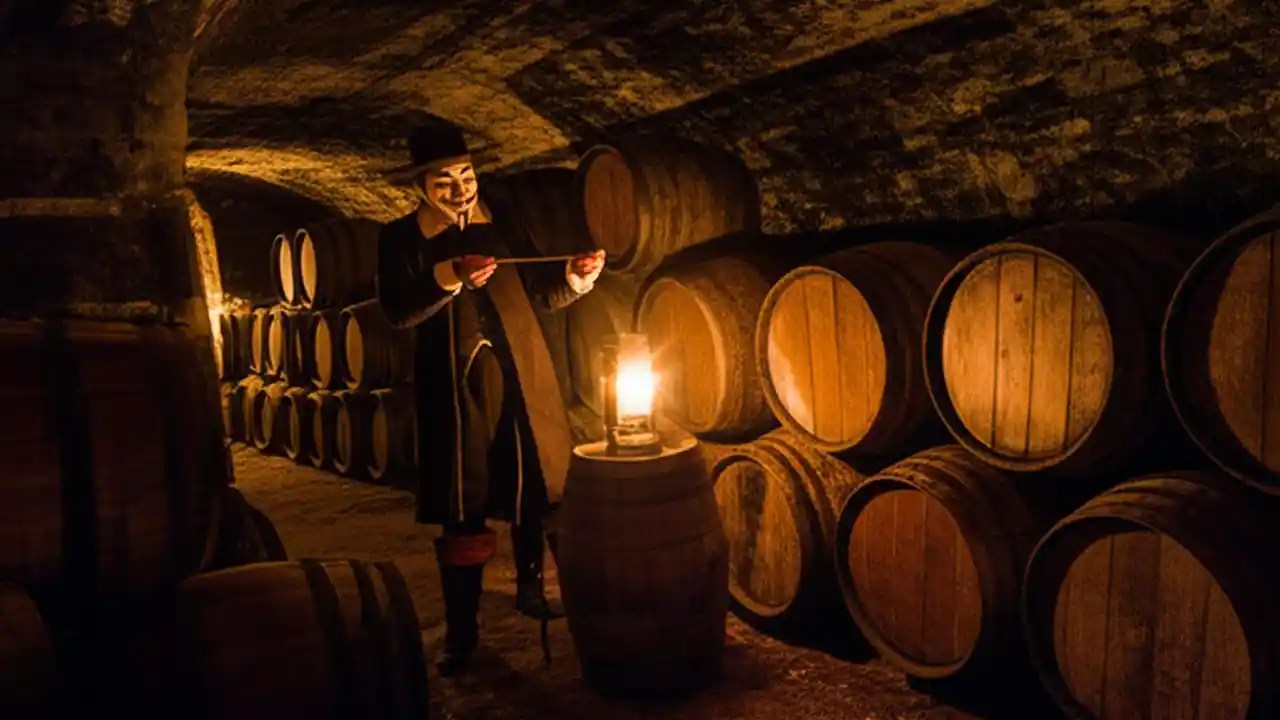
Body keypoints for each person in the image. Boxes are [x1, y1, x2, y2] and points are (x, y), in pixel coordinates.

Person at [377, 121, 605, 676]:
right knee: (465, 502)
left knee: (536, 484)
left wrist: (576, 279)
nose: (460, 191)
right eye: (445, 182)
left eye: (466, 176)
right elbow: (398, 311)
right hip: (458, 391)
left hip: (525, 374)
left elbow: (543, 294)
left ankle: (532, 588)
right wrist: (449, 278)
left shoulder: (501, 222)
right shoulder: (401, 237)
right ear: (420, 186)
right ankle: (463, 630)